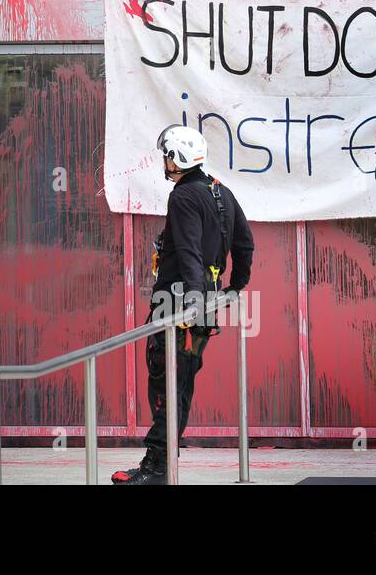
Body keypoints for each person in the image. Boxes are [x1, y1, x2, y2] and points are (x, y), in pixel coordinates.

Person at [112, 125, 254, 485]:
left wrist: (191, 302)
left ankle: (157, 468)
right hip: (201, 304)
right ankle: (160, 464)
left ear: (177, 159)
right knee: (180, 384)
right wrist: (234, 287)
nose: (164, 161)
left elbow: (189, 250)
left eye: (167, 155)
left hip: (179, 306)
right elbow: (245, 245)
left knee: (166, 384)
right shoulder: (222, 192)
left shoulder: (183, 197)